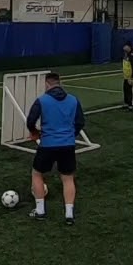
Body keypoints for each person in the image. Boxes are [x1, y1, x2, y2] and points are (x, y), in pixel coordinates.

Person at [25, 72, 84, 225]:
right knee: (67, 178)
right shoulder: (73, 100)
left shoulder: (42, 100)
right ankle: (69, 214)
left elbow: (31, 120)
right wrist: (71, 135)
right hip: (68, 145)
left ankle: (40, 210)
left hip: (48, 144)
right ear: (60, 83)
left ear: (47, 84)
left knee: (37, 174)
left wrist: (34, 133)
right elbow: (80, 122)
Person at [121, 41, 133, 111]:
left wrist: (132, 77)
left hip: (129, 77)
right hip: (126, 76)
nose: (124, 48)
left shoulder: (132, 56)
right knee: (125, 89)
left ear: (129, 47)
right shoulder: (126, 54)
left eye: (126, 46)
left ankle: (130, 105)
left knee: (129, 90)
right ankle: (126, 103)